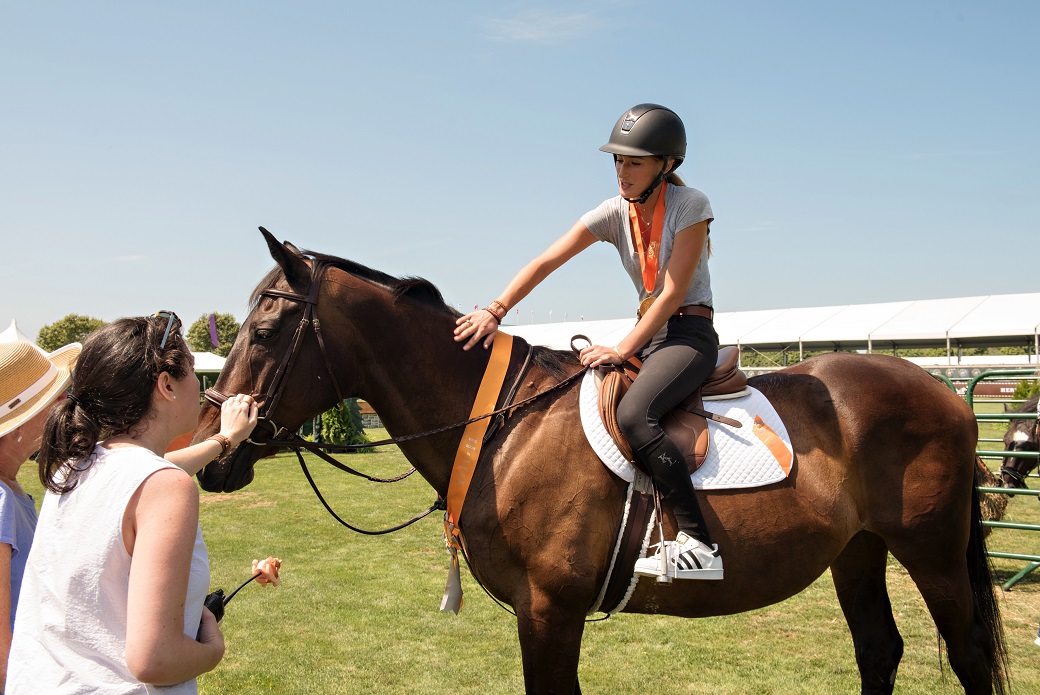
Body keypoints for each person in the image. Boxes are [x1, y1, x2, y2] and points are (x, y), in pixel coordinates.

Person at [454, 103, 723, 581]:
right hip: (650, 338)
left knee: (635, 417)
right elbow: (545, 261)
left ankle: (700, 544)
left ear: (667, 165)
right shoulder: (612, 211)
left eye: (634, 161)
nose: (622, 170)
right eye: (617, 160)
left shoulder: (692, 205)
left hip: (686, 334)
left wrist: (622, 348)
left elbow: (671, 294)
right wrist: (495, 309)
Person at [6, 312, 256, 693]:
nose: (203, 390)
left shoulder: (75, 466)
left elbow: (144, 473)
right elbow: (154, 658)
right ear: (166, 385)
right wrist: (211, 650)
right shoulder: (164, 487)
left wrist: (226, 439)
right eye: (190, 371)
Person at [0, 340, 81, 686]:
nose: (66, 403)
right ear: (17, 425)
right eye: (53, 398)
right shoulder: (1, 500)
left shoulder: (13, 492)